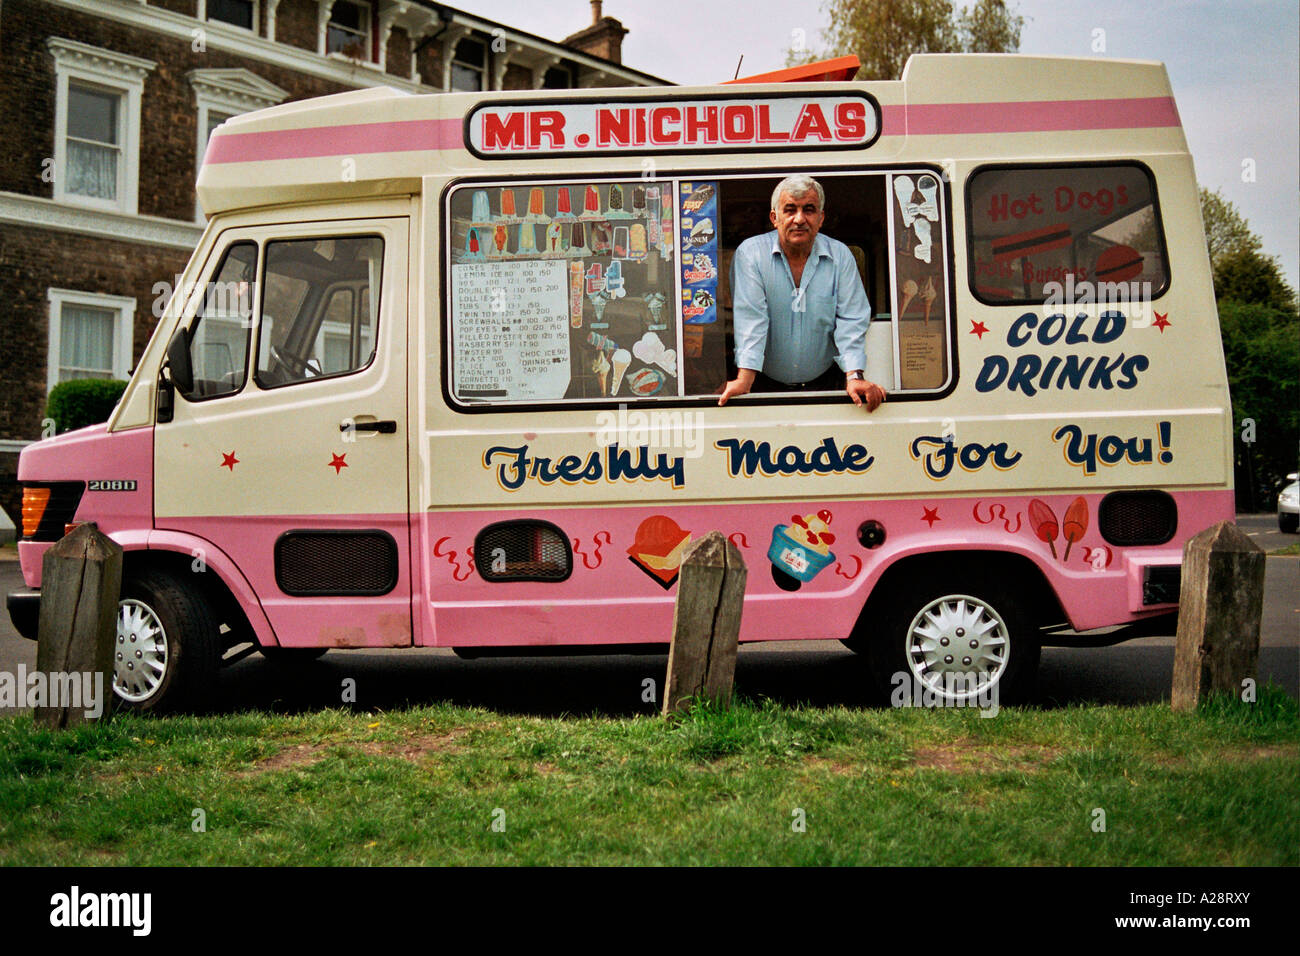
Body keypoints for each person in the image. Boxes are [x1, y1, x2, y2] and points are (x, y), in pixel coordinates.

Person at [718, 175, 886, 411]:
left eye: (809, 210)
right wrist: (744, 380)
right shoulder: (751, 254)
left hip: (827, 383)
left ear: (820, 218)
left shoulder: (840, 256)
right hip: (762, 384)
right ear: (774, 218)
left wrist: (854, 376)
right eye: (790, 210)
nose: (799, 219)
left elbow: (852, 319)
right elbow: (751, 318)